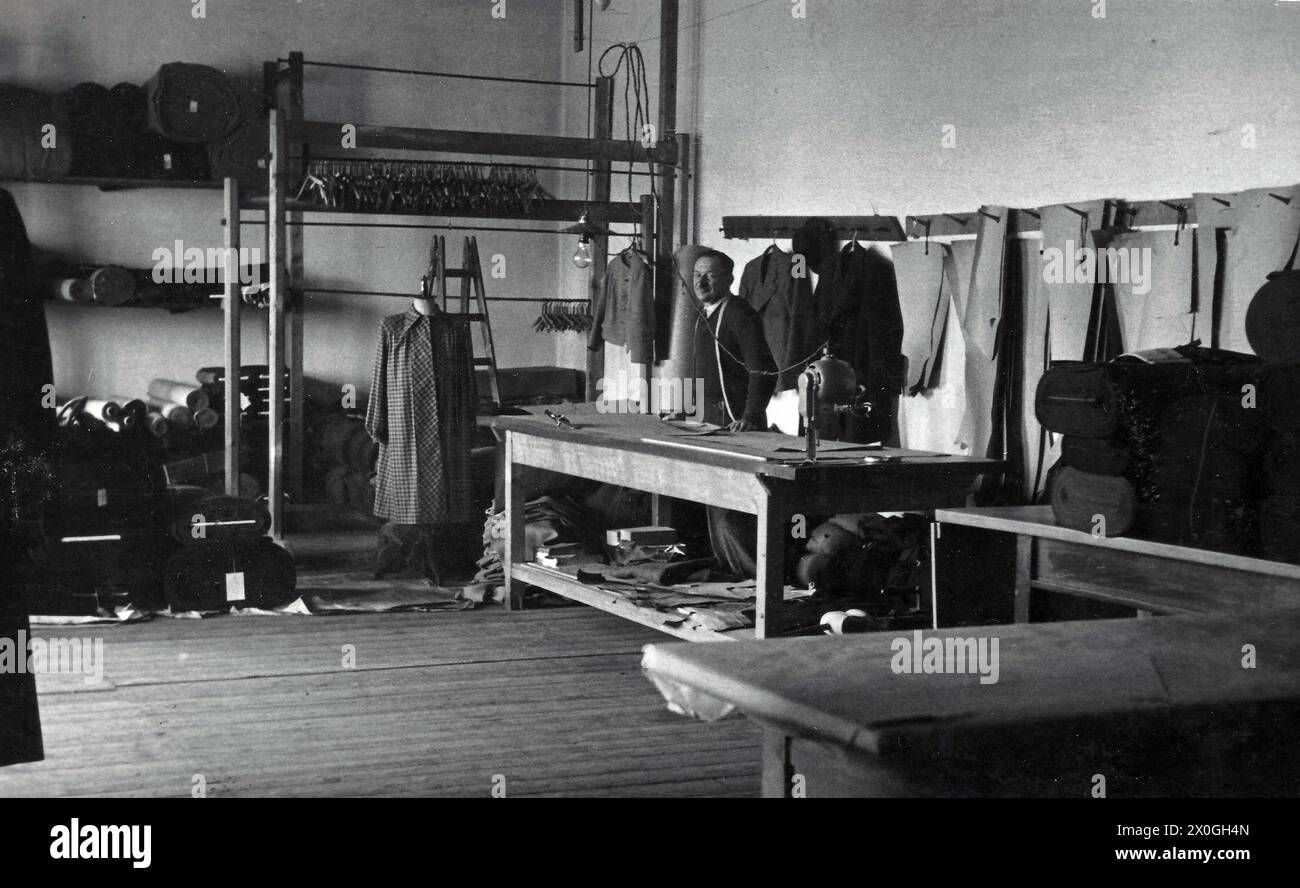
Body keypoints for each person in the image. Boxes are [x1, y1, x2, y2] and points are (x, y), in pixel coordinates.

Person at [684, 249, 777, 577]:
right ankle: (732, 577)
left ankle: (756, 581)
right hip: (707, 421)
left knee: (733, 512)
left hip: (735, 424)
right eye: (696, 274)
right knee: (715, 504)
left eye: (709, 275)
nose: (701, 281)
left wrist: (750, 417)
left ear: (729, 279)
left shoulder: (739, 313)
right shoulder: (705, 314)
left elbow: (764, 370)